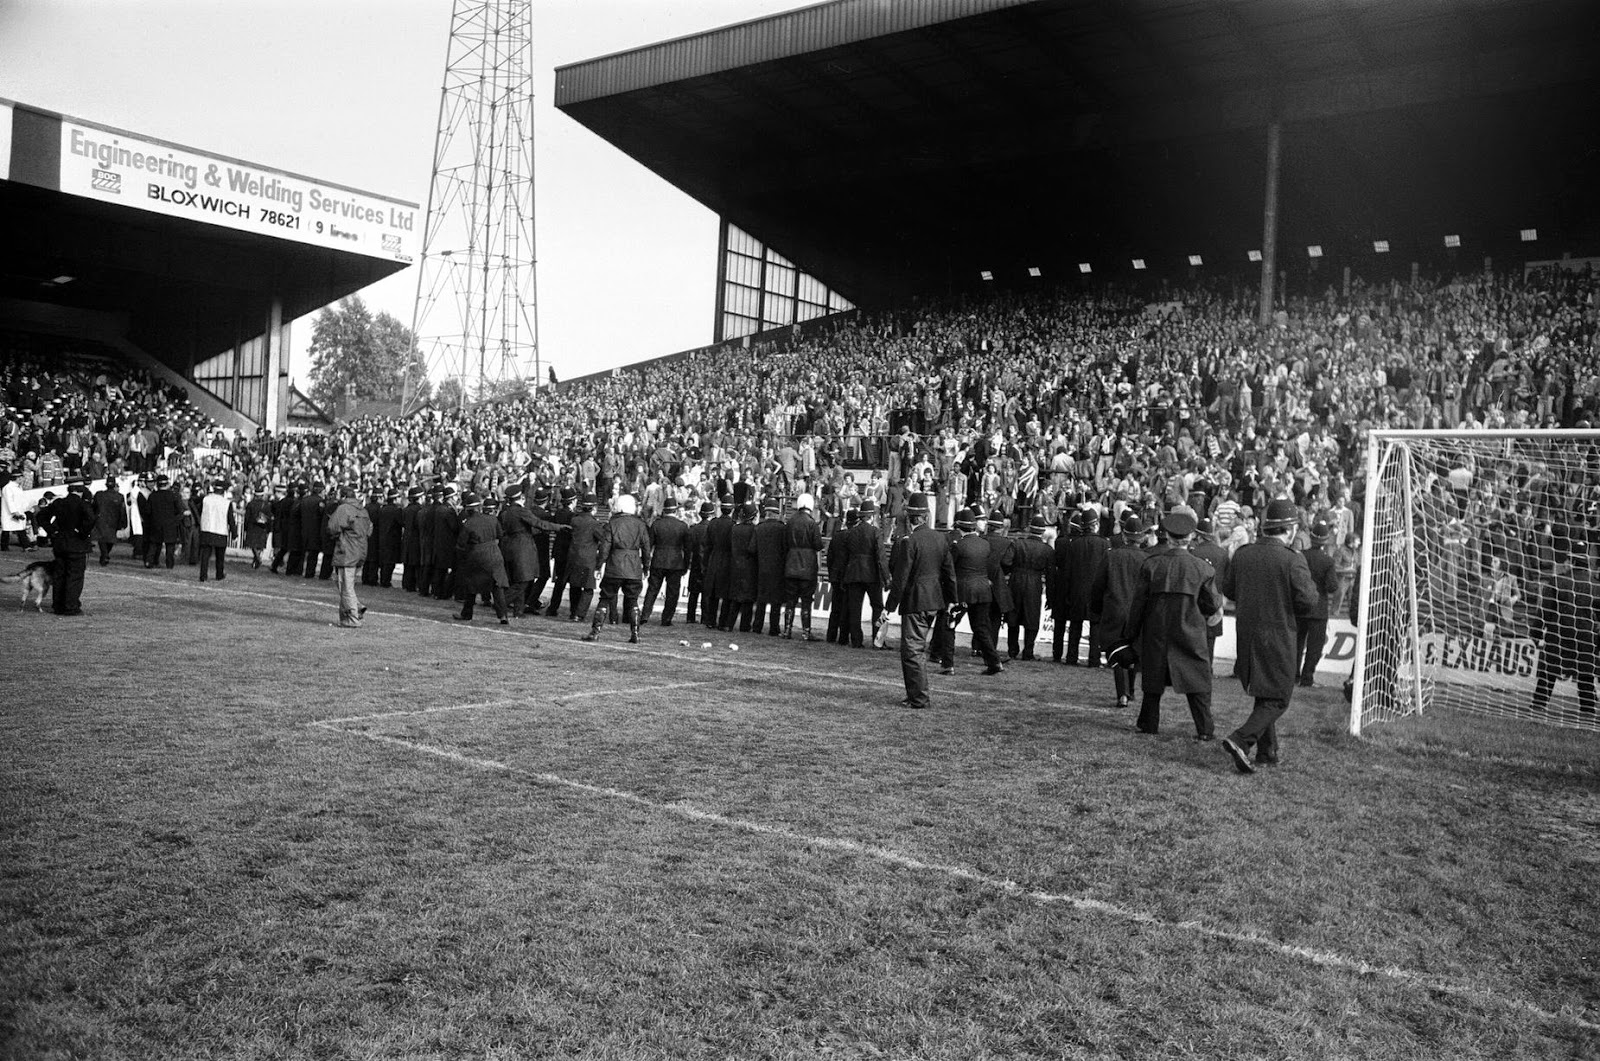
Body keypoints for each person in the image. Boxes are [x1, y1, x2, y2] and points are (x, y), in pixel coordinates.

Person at [1218, 498, 1319, 773]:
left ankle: (1267, 751)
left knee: (1265, 692)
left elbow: (1228, 590)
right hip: (1278, 636)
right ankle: (1241, 739)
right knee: (1278, 697)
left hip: (1248, 634)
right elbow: (1309, 601)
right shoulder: (1292, 560)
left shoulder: (1243, 554)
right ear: (1289, 529)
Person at [1126, 510, 1222, 739]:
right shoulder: (1203, 569)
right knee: (1196, 682)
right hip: (1190, 632)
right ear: (1191, 538)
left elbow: (1138, 605)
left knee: (1153, 681)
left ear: (1167, 537)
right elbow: (1211, 606)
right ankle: (1205, 729)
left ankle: (1148, 723)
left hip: (1156, 632)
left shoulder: (1152, 565)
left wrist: (1130, 635)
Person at [889, 492, 956, 709]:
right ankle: (916, 695)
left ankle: (918, 697)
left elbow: (901, 578)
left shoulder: (909, 542)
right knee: (916, 649)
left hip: (916, 600)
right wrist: (952, 600)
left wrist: (889, 607)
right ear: (926, 516)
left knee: (912, 650)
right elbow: (949, 573)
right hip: (934, 600)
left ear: (910, 518)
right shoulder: (940, 538)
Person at [1529, 531, 1599, 714]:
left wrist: (1535, 634)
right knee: (1586, 678)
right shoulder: (1596, 586)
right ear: (1586, 562)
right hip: (1586, 638)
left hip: (1559, 634)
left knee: (1547, 674)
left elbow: (1545, 611)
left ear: (1571, 561)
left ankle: (1538, 706)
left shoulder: (1557, 581)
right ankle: (1588, 711)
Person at [1092, 510, 1153, 708]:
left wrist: (1096, 608)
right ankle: (1131, 692)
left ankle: (1123, 693)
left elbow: (1098, 585)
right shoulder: (1147, 559)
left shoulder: (1112, 556)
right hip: (1138, 612)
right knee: (1132, 651)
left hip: (1114, 609)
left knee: (1116, 653)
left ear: (1124, 535)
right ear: (1142, 537)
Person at [584, 492, 652, 643]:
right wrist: (646, 568)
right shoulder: (641, 525)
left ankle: (595, 632)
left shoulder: (612, 524)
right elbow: (646, 549)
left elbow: (604, 548)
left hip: (615, 565)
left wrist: (599, 565)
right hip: (633, 566)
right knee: (633, 600)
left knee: (605, 598)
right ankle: (635, 634)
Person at [950, 506, 1005, 675]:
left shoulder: (958, 546)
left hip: (963, 591)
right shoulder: (984, 545)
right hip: (983, 590)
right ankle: (994, 662)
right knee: (981, 628)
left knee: (949, 626)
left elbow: (950, 569)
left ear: (959, 526)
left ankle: (947, 663)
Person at [1053, 508, 1107, 665]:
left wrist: (1068, 591)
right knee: (1095, 626)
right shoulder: (1104, 544)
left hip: (1077, 590)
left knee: (1075, 626)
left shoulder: (1074, 544)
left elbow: (1068, 571)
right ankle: (1094, 659)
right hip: (1096, 591)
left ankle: (1071, 657)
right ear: (1095, 524)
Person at [1296, 515, 1341, 686]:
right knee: (1314, 647)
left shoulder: (1301, 556)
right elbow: (1332, 586)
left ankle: (1294, 676)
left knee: (1297, 644)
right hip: (1318, 609)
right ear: (1325, 540)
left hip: (1300, 606)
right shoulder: (1327, 561)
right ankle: (1307, 678)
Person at [840, 497, 891, 649]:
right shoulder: (876, 532)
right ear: (872, 516)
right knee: (877, 607)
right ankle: (878, 641)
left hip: (854, 573)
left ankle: (856, 640)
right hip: (872, 574)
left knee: (855, 608)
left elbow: (845, 557)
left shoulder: (851, 533)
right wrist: (886, 576)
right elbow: (881, 557)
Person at [453, 492, 511, 624]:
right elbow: (500, 535)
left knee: (471, 587)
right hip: (494, 554)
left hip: (476, 555)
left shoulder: (468, 524)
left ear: (467, 510)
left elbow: (461, 545)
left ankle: (467, 614)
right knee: (498, 586)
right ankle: (503, 616)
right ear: (479, 507)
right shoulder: (492, 519)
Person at [39, 484, 95, 615]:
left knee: (60, 575)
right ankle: (71, 606)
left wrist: (53, 531)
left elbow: (41, 516)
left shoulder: (59, 503)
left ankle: (58, 605)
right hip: (77, 545)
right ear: (80, 491)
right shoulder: (82, 504)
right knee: (74, 576)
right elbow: (91, 519)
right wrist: (82, 532)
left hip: (60, 543)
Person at [1007, 513, 1053, 661]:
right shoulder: (1047, 550)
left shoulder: (1017, 543)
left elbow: (1006, 562)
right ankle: (1028, 651)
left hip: (1016, 580)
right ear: (1043, 531)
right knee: (1032, 617)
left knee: (1013, 616)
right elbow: (1051, 574)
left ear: (1029, 529)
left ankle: (1012, 650)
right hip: (1034, 582)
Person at [326, 483, 372, 628]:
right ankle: (350, 613)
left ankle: (353, 616)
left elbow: (332, 527)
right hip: (360, 551)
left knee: (345, 586)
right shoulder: (363, 510)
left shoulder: (343, 508)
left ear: (344, 496)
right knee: (347, 585)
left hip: (347, 552)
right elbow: (369, 530)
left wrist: (339, 536)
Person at [640, 495, 689, 626]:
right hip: (676, 562)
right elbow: (687, 549)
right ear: (676, 510)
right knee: (672, 592)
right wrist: (686, 564)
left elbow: (648, 546)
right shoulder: (683, 526)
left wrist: (646, 562)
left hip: (658, 560)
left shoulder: (656, 524)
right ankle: (667, 618)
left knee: (652, 590)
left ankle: (645, 615)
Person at [783, 491, 824, 640]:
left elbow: (784, 543)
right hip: (807, 567)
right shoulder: (812, 523)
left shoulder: (790, 522)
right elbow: (818, 545)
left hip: (791, 564)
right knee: (806, 601)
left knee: (790, 601)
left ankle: (787, 630)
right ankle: (806, 631)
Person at [751, 498, 788, 636]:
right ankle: (774, 628)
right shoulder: (783, 529)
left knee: (761, 600)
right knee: (776, 601)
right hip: (778, 569)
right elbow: (786, 549)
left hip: (761, 568)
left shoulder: (759, 528)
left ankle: (757, 626)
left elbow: (752, 549)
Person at [564, 492, 603, 622]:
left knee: (574, 586)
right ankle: (579, 614)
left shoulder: (575, 519)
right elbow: (602, 538)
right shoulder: (594, 523)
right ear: (594, 508)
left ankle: (573, 611)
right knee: (588, 588)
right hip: (587, 559)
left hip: (573, 557)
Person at [721, 501, 758, 633]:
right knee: (747, 599)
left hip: (735, 565)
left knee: (735, 598)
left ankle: (729, 624)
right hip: (749, 566)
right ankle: (744, 626)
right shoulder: (754, 530)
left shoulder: (735, 529)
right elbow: (753, 549)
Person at [702, 498, 734, 630]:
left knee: (713, 593)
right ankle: (723, 622)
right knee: (725, 594)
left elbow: (707, 545)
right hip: (727, 560)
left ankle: (710, 620)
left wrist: (706, 562)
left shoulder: (713, 523)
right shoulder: (732, 525)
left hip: (714, 558)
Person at [197, 479, 235, 582]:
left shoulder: (205, 499)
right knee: (220, 555)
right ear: (224, 491)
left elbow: (200, 511)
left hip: (207, 529)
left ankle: (203, 575)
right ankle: (219, 574)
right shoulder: (226, 503)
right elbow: (230, 519)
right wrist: (234, 533)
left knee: (205, 554)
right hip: (220, 530)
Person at [684, 499, 714, 625]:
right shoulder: (711, 529)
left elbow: (688, 549)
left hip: (695, 564)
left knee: (693, 593)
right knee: (706, 594)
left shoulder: (693, 529)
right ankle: (705, 617)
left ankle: (690, 617)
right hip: (708, 564)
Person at [144, 474, 182, 569]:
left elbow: (147, 511)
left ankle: (149, 561)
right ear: (167, 484)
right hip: (170, 524)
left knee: (154, 544)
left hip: (156, 523)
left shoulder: (153, 496)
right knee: (170, 545)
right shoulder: (173, 495)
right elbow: (179, 510)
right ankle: (169, 563)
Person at [92, 475, 127, 567]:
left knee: (102, 539)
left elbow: (94, 507)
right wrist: (123, 523)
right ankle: (105, 554)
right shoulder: (119, 496)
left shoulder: (99, 495)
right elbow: (122, 511)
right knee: (110, 539)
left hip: (101, 519)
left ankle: (105, 554)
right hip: (113, 520)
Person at [295, 481, 326, 579]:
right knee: (313, 554)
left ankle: (298, 570)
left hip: (303, 528)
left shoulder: (305, 500)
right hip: (315, 531)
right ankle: (309, 572)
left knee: (302, 552)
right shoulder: (321, 502)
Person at [400, 485, 425, 592]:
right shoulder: (420, 510)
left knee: (407, 563)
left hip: (406, 538)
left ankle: (406, 583)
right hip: (417, 538)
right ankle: (415, 584)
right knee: (416, 563)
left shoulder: (405, 510)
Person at [243, 484, 272, 569]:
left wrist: (245, 527)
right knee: (260, 545)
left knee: (253, 545)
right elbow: (269, 518)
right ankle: (257, 559)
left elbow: (247, 517)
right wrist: (269, 529)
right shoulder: (266, 505)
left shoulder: (250, 504)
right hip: (262, 527)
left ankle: (257, 559)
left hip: (252, 526)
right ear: (262, 495)